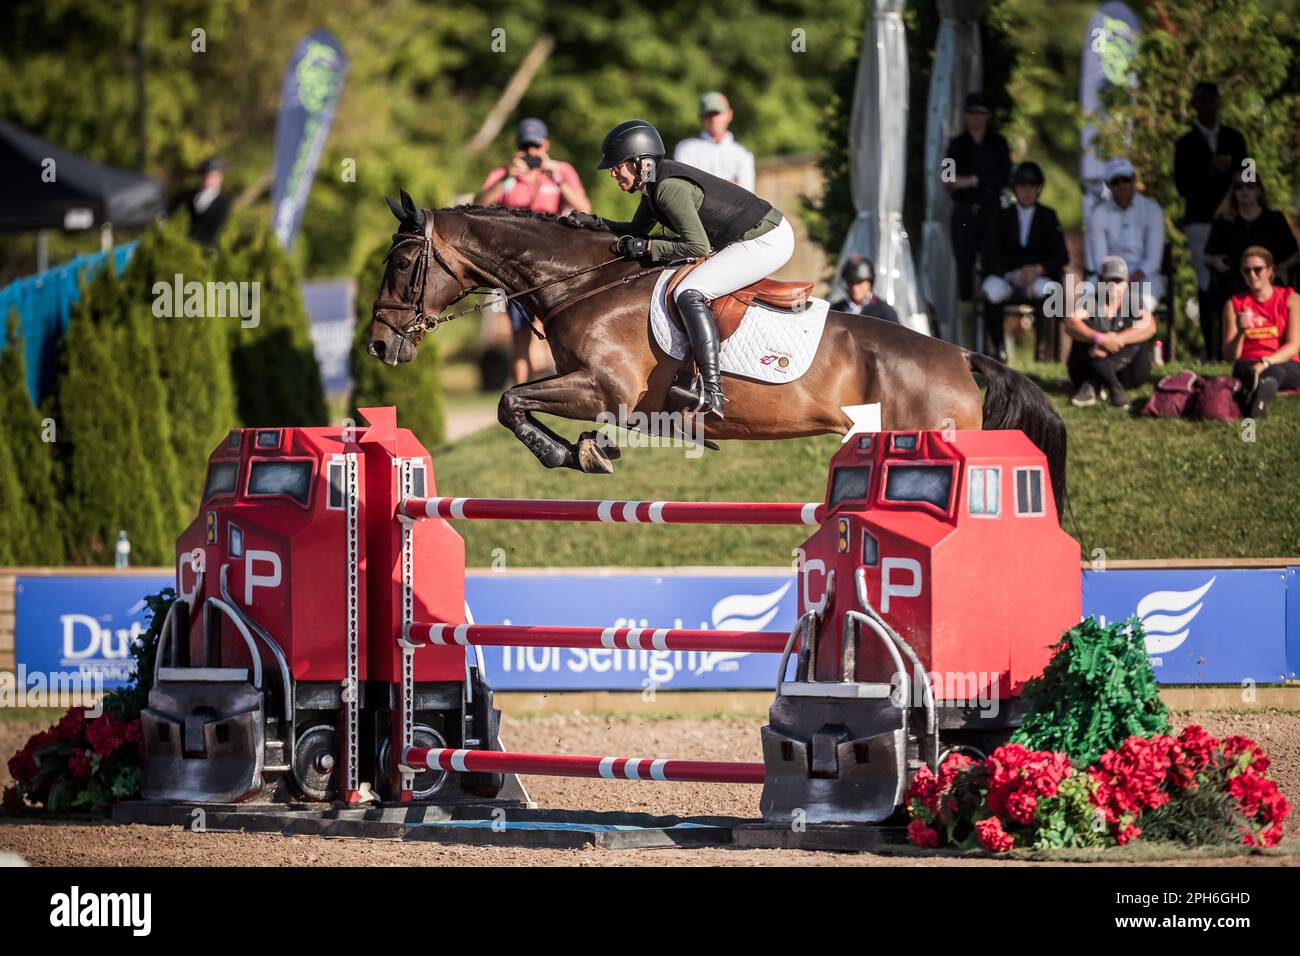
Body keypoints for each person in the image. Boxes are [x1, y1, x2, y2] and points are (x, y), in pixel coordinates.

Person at [585, 119, 794, 417]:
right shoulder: (653, 187)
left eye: (617, 165)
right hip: (751, 235)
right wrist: (593, 225)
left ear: (640, 162)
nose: (612, 172)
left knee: (689, 291)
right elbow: (635, 229)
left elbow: (695, 247)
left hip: (766, 239)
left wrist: (647, 248)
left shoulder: (668, 188)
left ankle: (712, 390)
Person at [474, 118, 592, 385]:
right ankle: (523, 393)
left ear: (546, 145)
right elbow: (477, 205)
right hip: (516, 264)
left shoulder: (561, 170)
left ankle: (564, 387)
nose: (531, 154)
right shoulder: (505, 175)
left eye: (536, 147)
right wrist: (506, 177)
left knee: (563, 327)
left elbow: (584, 207)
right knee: (520, 332)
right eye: (526, 148)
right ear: (518, 148)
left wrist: (556, 178)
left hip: (553, 262)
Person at [1174, 81, 1248, 357]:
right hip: (1201, 221)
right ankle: (1211, 349)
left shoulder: (1234, 138)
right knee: (1206, 284)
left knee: (1234, 281)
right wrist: (1209, 170)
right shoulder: (1186, 144)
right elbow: (1182, 186)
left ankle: (1234, 347)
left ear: (1219, 102)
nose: (1208, 105)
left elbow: (1249, 170)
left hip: (1232, 220)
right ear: (1195, 105)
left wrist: (1240, 179)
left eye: (1212, 99)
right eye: (1202, 100)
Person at [977, 161, 1069, 361]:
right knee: (991, 290)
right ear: (1015, 188)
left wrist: (1037, 270)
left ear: (1038, 189)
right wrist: (1010, 275)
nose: (1027, 191)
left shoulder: (1048, 216)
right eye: (1022, 186)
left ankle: (1041, 351)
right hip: (1006, 276)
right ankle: (998, 349)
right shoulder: (1001, 216)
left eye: (1032, 186)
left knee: (1049, 290)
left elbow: (1061, 256)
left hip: (1037, 277)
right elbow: (989, 256)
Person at [943, 92, 1012, 305]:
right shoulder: (956, 145)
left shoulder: (998, 144)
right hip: (964, 212)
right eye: (972, 113)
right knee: (964, 263)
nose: (976, 118)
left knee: (993, 265)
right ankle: (966, 314)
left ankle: (992, 312)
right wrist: (980, 180)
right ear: (965, 116)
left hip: (991, 212)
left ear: (987, 116)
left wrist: (970, 180)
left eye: (980, 113)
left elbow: (1004, 177)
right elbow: (948, 179)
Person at [1205, 170, 1299, 319]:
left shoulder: (1274, 220)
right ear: (1233, 192)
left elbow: (1295, 254)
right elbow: (1207, 257)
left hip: (1271, 285)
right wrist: (1216, 262)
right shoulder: (1224, 222)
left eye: (1249, 186)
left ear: (1259, 191)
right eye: (1239, 187)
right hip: (1234, 286)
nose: (1244, 191)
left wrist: (1284, 266)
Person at [1065, 256, 1156, 409]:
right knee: (1083, 330)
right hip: (1088, 367)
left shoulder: (1133, 301)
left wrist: (1117, 340)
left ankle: (1096, 385)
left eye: (1118, 282)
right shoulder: (1092, 301)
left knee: (1138, 330)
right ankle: (1115, 388)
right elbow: (1070, 322)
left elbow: (1151, 326)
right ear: (1100, 282)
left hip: (1129, 372)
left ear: (1126, 283)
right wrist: (1099, 338)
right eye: (1109, 281)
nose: (1114, 286)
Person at [1222, 246, 1300, 419]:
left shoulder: (1291, 299)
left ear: (1270, 270)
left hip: (1283, 361)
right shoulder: (1234, 304)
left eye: (1258, 270)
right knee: (1245, 369)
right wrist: (1240, 332)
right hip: (1249, 363)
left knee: (1278, 371)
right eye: (1246, 271)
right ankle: (1262, 393)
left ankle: (1258, 394)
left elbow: (1293, 346)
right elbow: (1229, 356)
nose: (1252, 275)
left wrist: (1265, 363)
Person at [1086, 158, 1165, 315]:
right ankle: (1094, 338)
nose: (1121, 185)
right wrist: (1116, 281)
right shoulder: (1099, 213)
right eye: (1116, 181)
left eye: (1126, 179)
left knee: (1145, 303)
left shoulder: (1152, 209)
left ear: (1134, 179)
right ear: (1108, 185)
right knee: (1085, 296)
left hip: (1144, 276)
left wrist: (1129, 281)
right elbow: (1100, 260)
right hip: (1109, 276)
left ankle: (1134, 338)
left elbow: (1153, 260)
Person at [672, 92, 756, 193]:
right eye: (708, 115)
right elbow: (684, 188)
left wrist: (702, 184)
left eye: (717, 113)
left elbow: (747, 194)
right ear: (701, 117)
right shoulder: (686, 149)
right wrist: (729, 184)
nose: (713, 119)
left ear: (729, 115)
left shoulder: (743, 153)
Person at [176, 157, 230, 248]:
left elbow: (216, 230)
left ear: (220, 177)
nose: (207, 178)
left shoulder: (224, 202)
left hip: (205, 248)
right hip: (180, 243)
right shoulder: (187, 195)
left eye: (212, 175)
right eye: (205, 175)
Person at [829, 256, 898, 322]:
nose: (855, 288)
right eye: (851, 283)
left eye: (859, 283)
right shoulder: (835, 311)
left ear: (870, 283)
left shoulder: (885, 313)